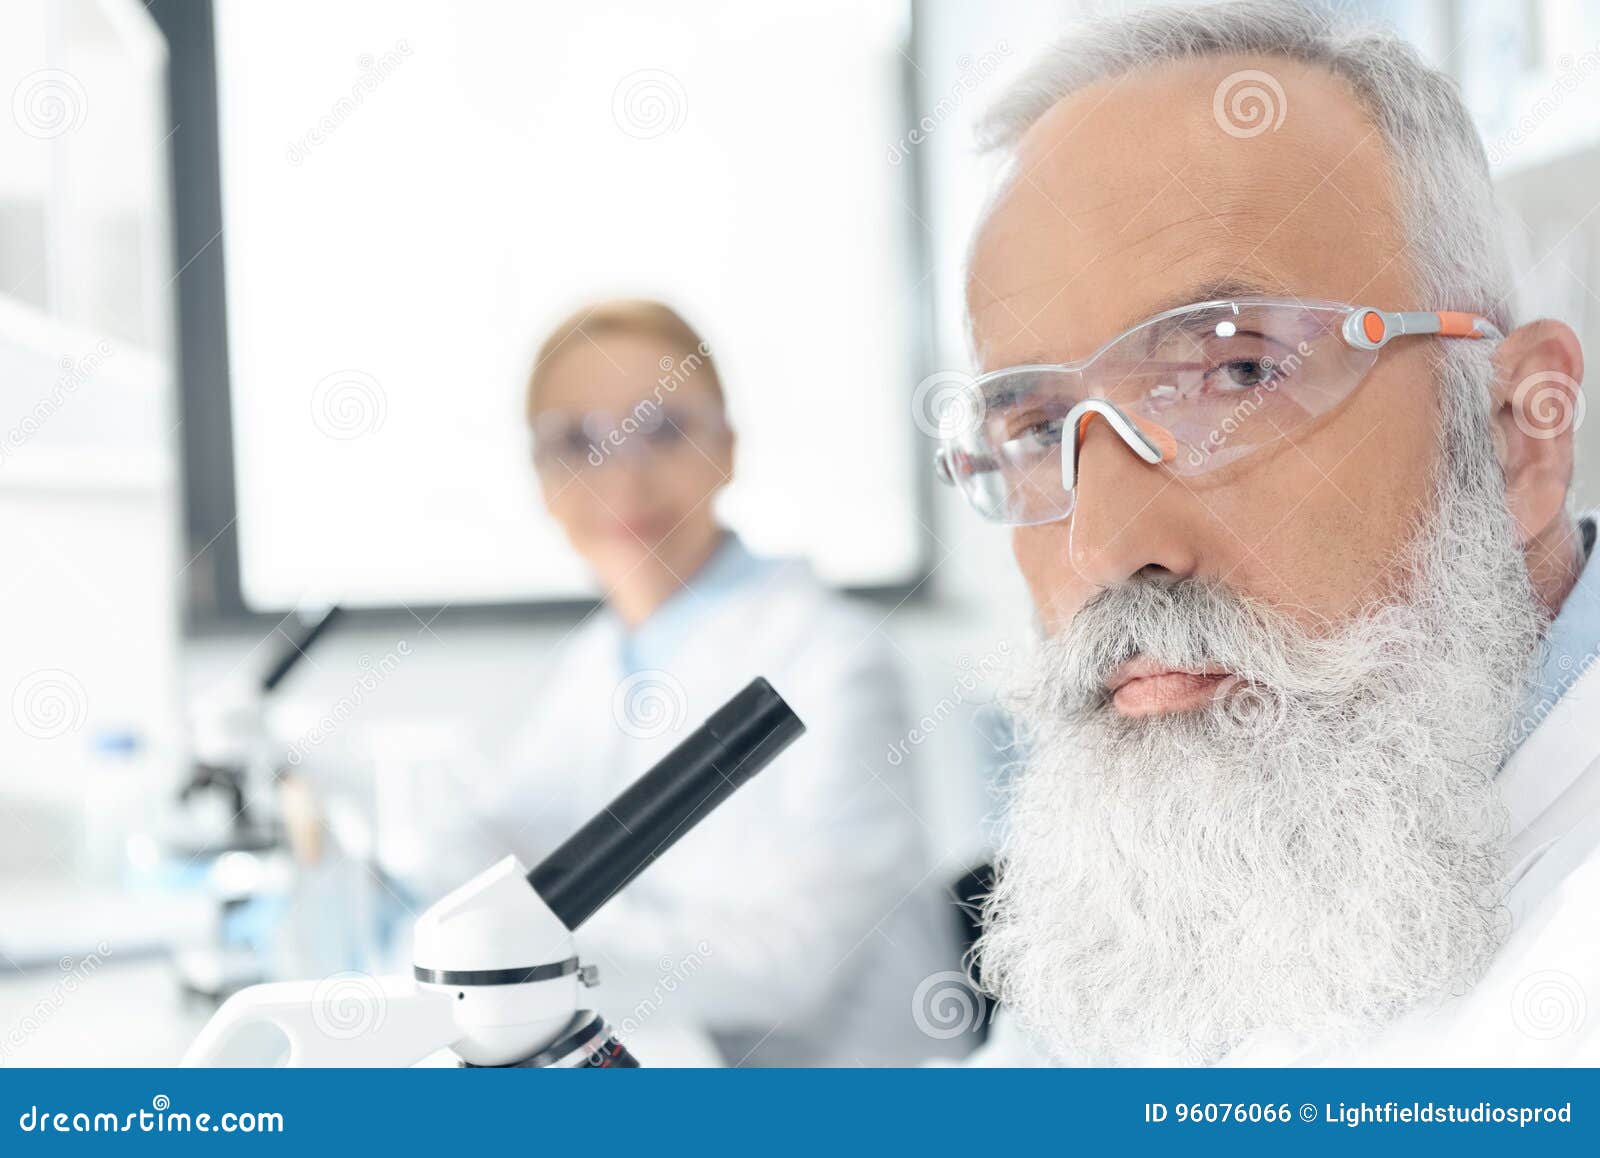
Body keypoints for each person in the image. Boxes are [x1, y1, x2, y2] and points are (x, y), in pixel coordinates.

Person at [937, 1, 1599, 1065]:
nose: (1102, 547)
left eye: (1234, 373)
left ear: (1515, 432)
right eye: (1039, 428)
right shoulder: (1180, 850)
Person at [395, 299, 957, 1065]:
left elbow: (793, 970)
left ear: (726, 447)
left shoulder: (834, 660)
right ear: (540, 479)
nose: (622, 473)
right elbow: (498, 837)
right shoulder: (596, 663)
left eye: (660, 428)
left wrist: (529, 961)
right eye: (576, 440)